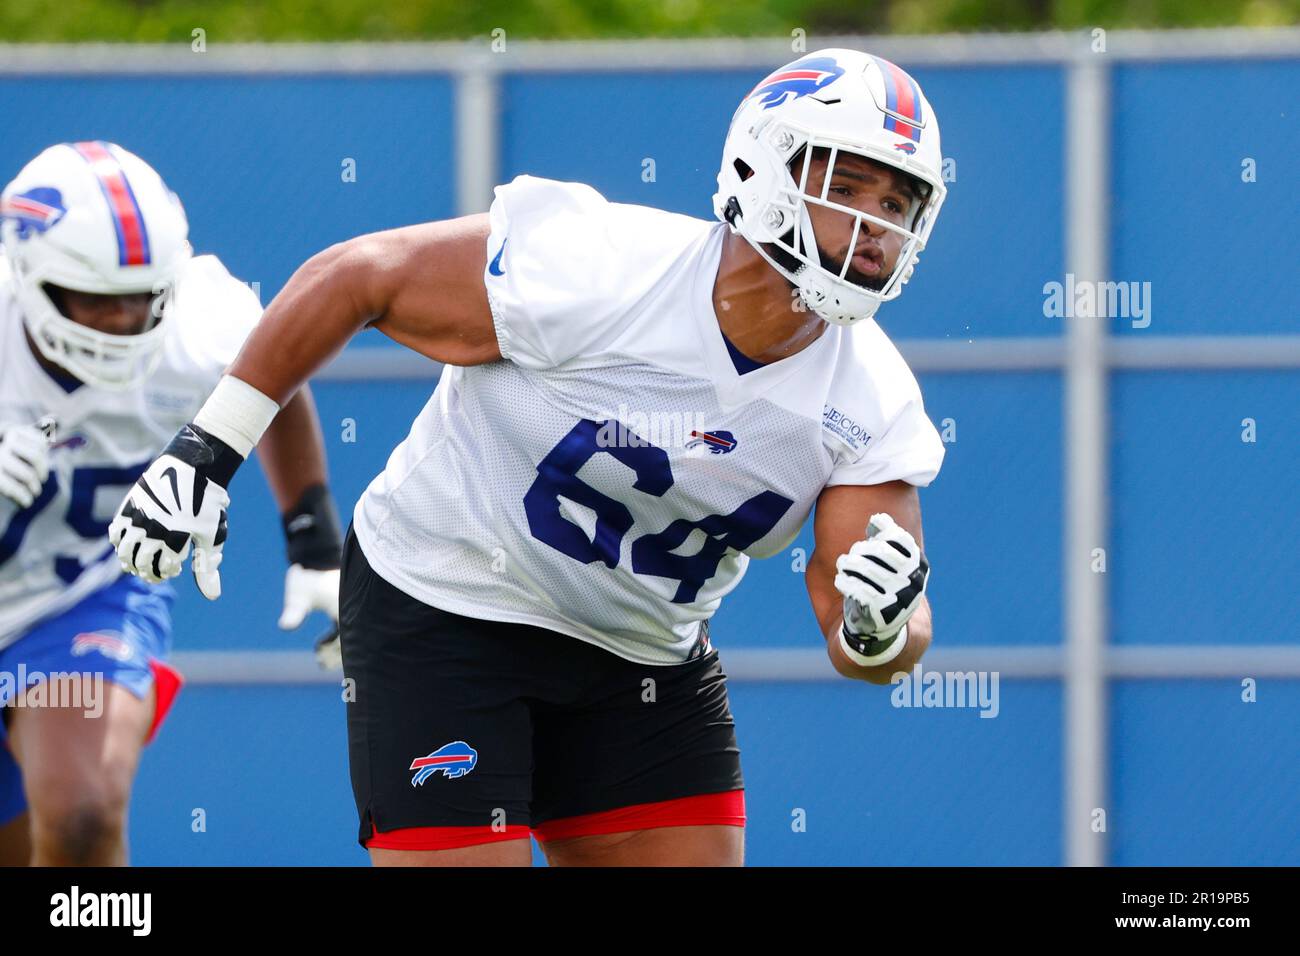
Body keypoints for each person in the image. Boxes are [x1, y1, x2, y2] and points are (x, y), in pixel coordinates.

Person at [109, 48, 948, 867]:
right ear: (762, 174)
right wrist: (204, 452)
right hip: (447, 605)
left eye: (899, 202)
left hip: (643, 662)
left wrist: (879, 632)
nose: (876, 227)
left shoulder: (871, 400)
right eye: (845, 186)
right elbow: (354, 276)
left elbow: (868, 624)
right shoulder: (603, 269)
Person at [0, 141, 344, 866]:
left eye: (140, 297)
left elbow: (273, 379)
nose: (124, 319)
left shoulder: (200, 319)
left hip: (78, 595)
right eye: (97, 298)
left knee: (82, 818)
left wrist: (313, 540)